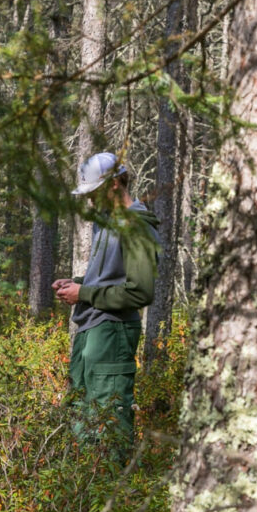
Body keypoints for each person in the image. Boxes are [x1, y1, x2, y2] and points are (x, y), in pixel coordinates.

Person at [52, 151, 160, 449]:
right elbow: (112, 279)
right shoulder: (107, 224)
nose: (89, 201)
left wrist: (84, 294)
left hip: (113, 332)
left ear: (114, 185)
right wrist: (77, 284)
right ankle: (86, 487)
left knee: (108, 419)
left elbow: (140, 292)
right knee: (81, 411)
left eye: (94, 193)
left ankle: (115, 491)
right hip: (93, 329)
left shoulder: (137, 226)